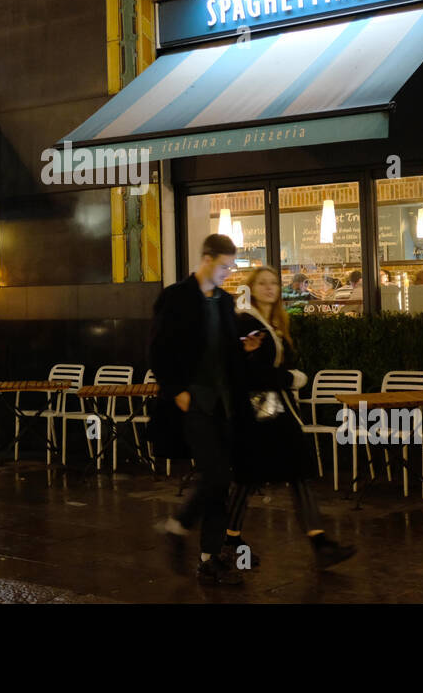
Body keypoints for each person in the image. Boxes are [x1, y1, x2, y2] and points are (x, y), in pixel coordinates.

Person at [225, 266, 357, 570]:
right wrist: (291, 378)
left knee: (284, 471)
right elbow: (250, 371)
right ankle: (230, 540)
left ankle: (317, 541)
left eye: (274, 283)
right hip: (261, 405)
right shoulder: (248, 322)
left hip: (270, 405)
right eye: (263, 283)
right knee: (254, 473)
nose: (270, 288)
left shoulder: (269, 323)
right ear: (252, 287)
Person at [149, 233, 257, 586]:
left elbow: (224, 349)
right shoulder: (176, 297)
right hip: (194, 400)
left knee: (218, 483)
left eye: (231, 266)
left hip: (224, 402)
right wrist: (175, 389)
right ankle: (178, 525)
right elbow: (158, 348)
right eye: (225, 266)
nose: (228, 272)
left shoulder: (224, 302)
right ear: (207, 258)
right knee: (216, 475)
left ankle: (209, 558)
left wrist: (243, 347)